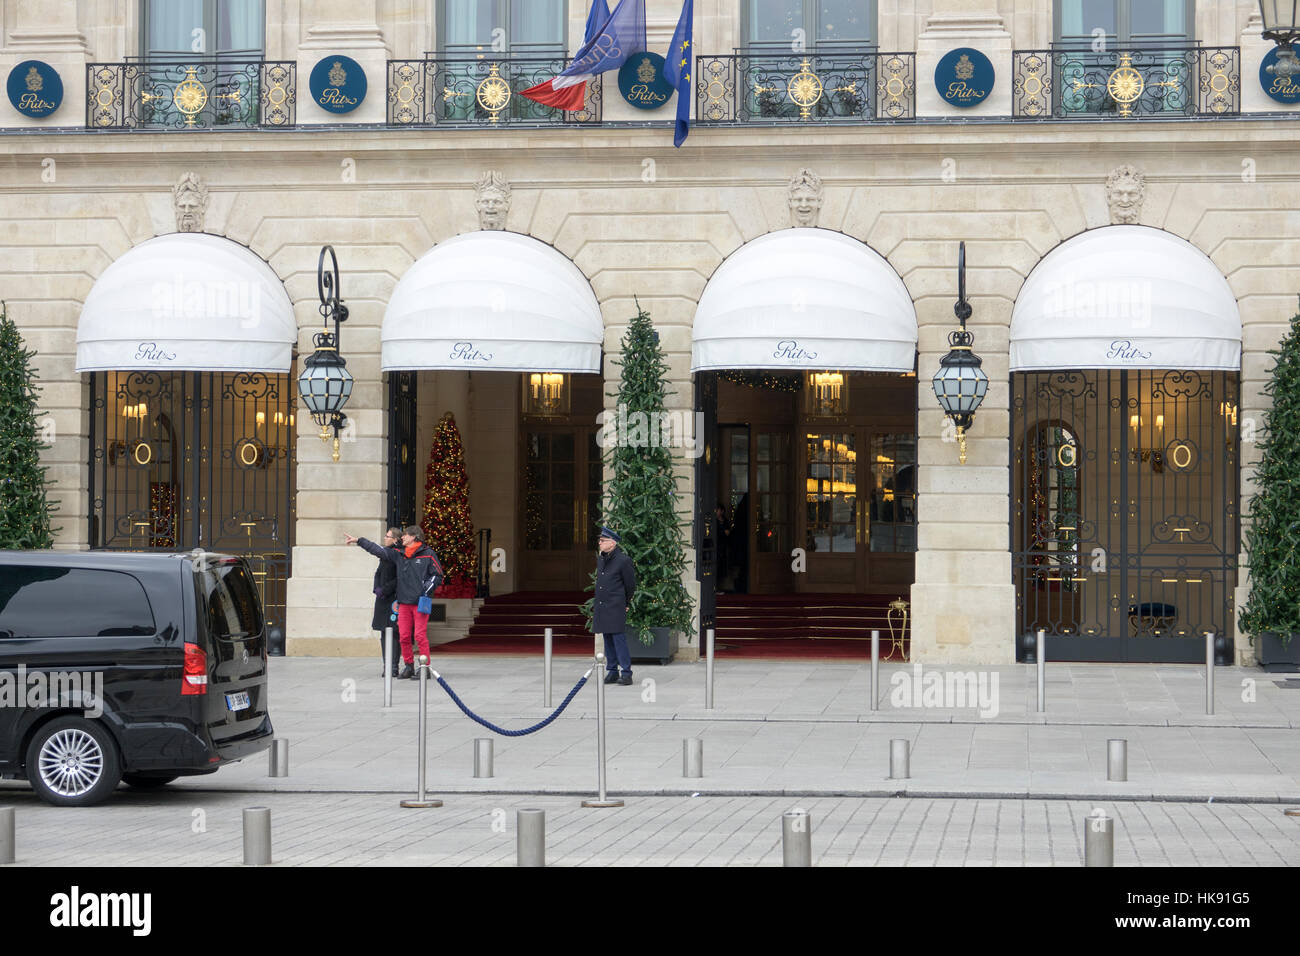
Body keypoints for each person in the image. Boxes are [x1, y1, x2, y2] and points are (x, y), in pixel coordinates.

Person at [344, 525, 443, 679]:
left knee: (420, 636)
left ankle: (425, 668)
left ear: (414, 537)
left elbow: (437, 575)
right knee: (403, 636)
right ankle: (409, 666)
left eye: (405, 535)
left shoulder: (428, 554)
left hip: (420, 602)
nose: (402, 537)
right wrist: (359, 540)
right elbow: (378, 550)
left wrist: (426, 590)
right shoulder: (399, 554)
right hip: (403, 603)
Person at [592, 525, 637, 686]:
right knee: (607, 638)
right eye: (600, 540)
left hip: (616, 605)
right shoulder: (602, 559)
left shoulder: (623, 560)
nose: (600, 543)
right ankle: (612, 670)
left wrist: (625, 602)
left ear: (612, 543)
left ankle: (626, 672)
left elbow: (630, 585)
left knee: (619, 638)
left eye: (603, 541)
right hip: (603, 605)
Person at [369, 527, 402, 676]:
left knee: (395, 632)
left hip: (393, 599)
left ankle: (394, 666)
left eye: (387, 536)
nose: (385, 538)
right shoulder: (384, 556)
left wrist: (386, 589)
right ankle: (386, 665)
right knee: (383, 632)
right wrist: (376, 588)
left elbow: (398, 578)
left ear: (395, 540)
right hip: (382, 599)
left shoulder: (397, 554)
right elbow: (378, 573)